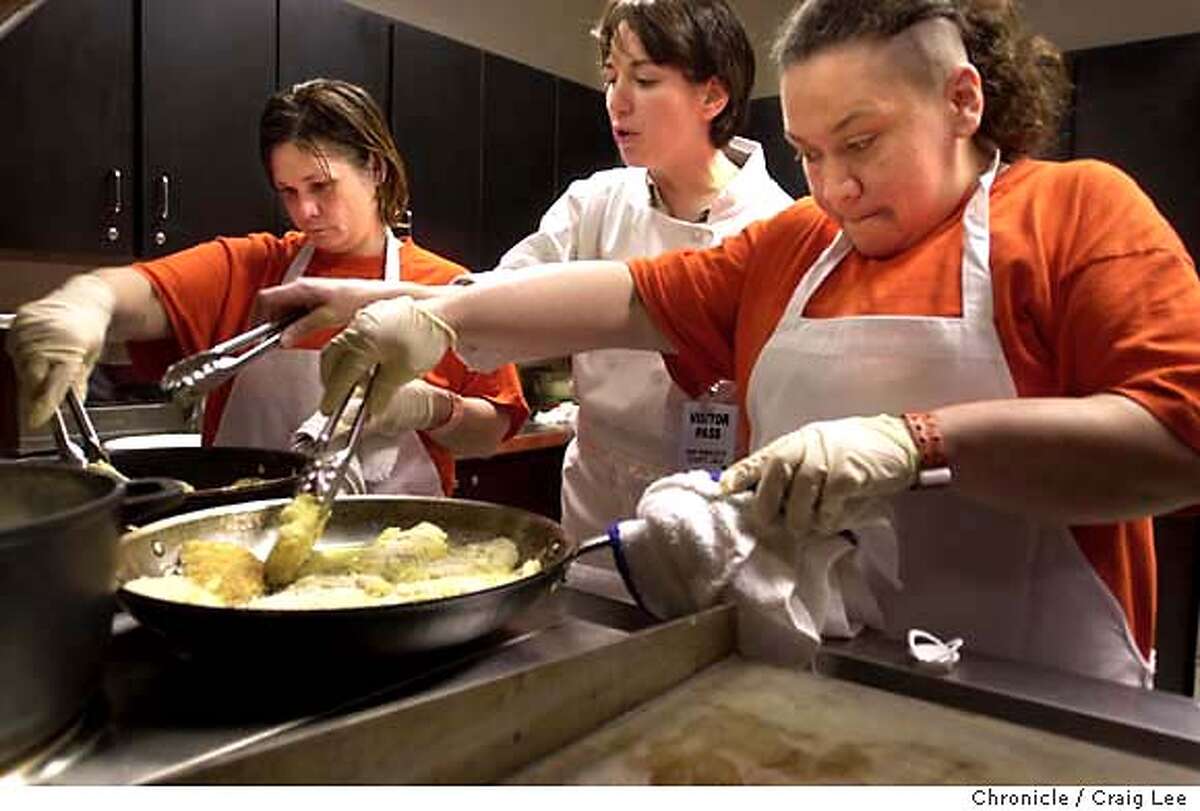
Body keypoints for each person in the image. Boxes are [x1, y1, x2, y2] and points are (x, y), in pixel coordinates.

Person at [265, 0, 1200, 687]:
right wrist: (425, 313)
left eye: (862, 143)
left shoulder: (1078, 209)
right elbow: (622, 298)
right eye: (809, 153)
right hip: (816, 678)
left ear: (962, 101)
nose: (834, 186)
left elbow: (1178, 435)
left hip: (1041, 695)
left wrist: (919, 442)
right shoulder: (794, 248)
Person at [6, 78, 527, 497]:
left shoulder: (444, 287)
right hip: (239, 561)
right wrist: (87, 302)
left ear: (376, 169)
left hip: (402, 563)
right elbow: (137, 293)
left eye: (321, 186)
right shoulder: (255, 269)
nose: (306, 211)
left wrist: (433, 409)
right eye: (288, 192)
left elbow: (489, 433)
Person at [488, 0, 792, 542]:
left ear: (712, 96)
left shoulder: (775, 224)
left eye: (645, 79)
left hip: (717, 505)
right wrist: (416, 314)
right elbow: (500, 298)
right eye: (611, 78)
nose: (617, 101)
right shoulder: (596, 202)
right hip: (596, 491)